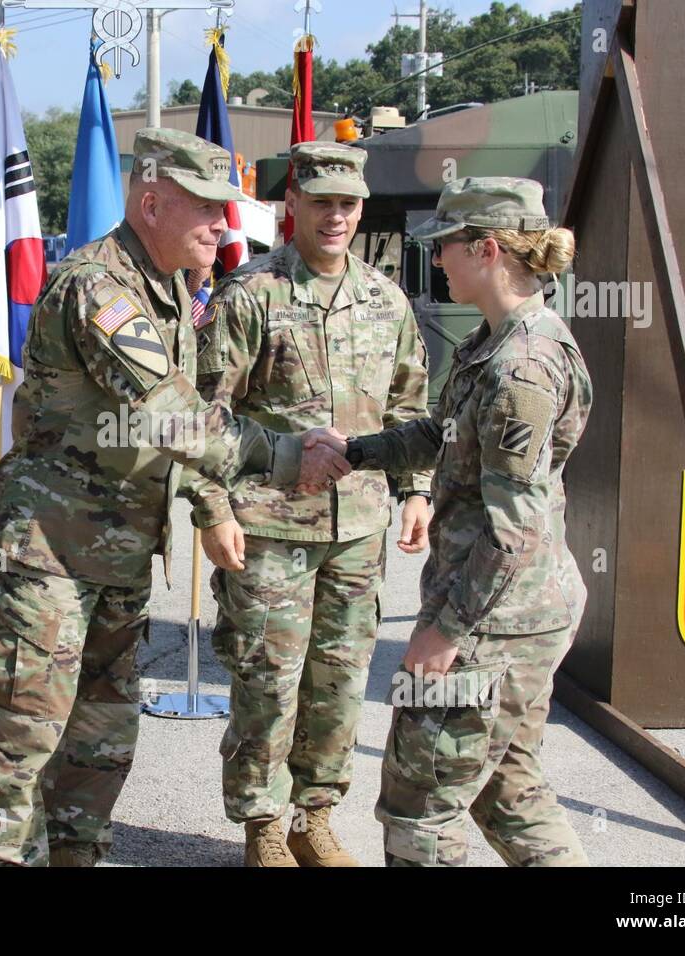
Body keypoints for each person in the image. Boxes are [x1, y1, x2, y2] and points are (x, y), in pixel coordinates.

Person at [0, 127, 351, 867]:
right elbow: (172, 412)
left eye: (224, 209)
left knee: (99, 751)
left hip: (116, 556)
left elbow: (196, 413)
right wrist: (286, 453)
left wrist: (215, 501)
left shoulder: (171, 289)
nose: (221, 225)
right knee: (21, 756)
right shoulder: (97, 288)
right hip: (48, 558)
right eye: (205, 208)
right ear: (149, 203)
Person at [334, 176, 592, 866]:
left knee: (419, 809)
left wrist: (446, 633)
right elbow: (444, 434)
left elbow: (515, 530)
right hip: (507, 613)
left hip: (494, 622)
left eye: (446, 246)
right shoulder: (496, 343)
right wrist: (357, 450)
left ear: (487, 249)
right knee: (510, 794)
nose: (437, 260)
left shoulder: (521, 370)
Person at [189, 142, 432, 867]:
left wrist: (415, 488)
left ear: (361, 208)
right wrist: (212, 509)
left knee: (340, 683)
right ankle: (263, 825)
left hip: (358, 528)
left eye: (347, 204)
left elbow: (408, 403)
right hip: (268, 527)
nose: (335, 216)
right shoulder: (251, 293)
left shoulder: (384, 299)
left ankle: (312, 817)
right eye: (321, 201)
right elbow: (200, 415)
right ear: (293, 204)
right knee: (269, 681)